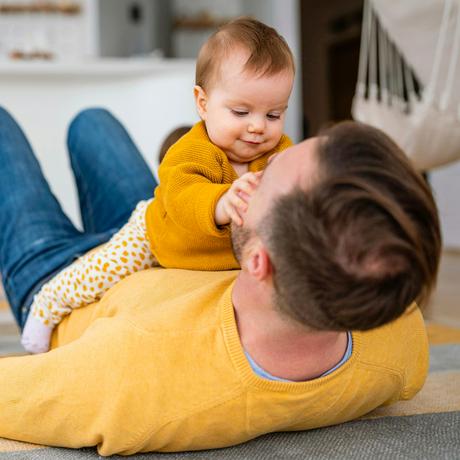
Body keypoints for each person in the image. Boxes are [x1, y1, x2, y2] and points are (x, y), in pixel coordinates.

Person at [0, 106, 441, 455]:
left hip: (64, 278)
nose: (252, 166)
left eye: (265, 177)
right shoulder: (398, 334)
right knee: (93, 123)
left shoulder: (131, 375)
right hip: (165, 240)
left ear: (258, 262)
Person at [21, 17, 295, 354]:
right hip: (158, 233)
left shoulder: (279, 151)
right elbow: (182, 197)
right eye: (241, 112)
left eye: (273, 115)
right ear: (203, 103)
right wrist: (221, 202)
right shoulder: (192, 151)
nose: (258, 127)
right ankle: (47, 304)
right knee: (100, 270)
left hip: (212, 256)